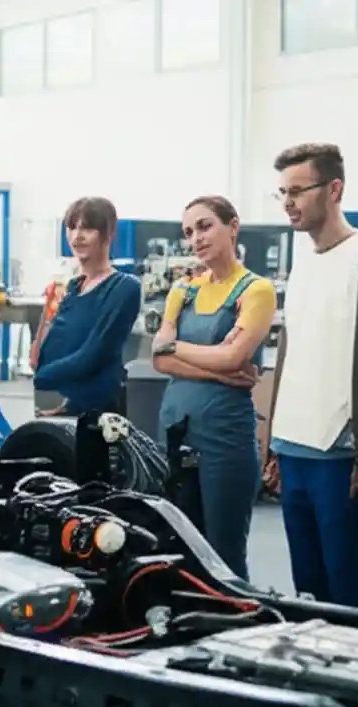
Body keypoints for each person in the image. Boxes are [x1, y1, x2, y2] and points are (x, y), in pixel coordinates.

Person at [262, 143, 358, 610]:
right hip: (295, 449)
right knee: (309, 592)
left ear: (334, 189)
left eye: (298, 190)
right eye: (282, 193)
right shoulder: (303, 258)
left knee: (352, 593)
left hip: (342, 457)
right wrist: (273, 441)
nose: (288, 202)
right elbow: (290, 353)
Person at [152, 195, 276, 580]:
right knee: (178, 546)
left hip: (226, 438)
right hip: (176, 431)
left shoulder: (255, 290)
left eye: (205, 226)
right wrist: (214, 370)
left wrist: (175, 347)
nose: (196, 239)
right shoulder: (182, 291)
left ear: (233, 226)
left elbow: (232, 358)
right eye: (189, 232)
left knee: (223, 554)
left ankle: (234, 631)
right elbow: (159, 361)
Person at [31, 196, 142, 416]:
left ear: (109, 234)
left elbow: (93, 354)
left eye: (87, 228)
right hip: (55, 404)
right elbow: (44, 350)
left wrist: (42, 377)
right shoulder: (72, 287)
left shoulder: (123, 287)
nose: (77, 236)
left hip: (96, 413)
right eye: (72, 228)